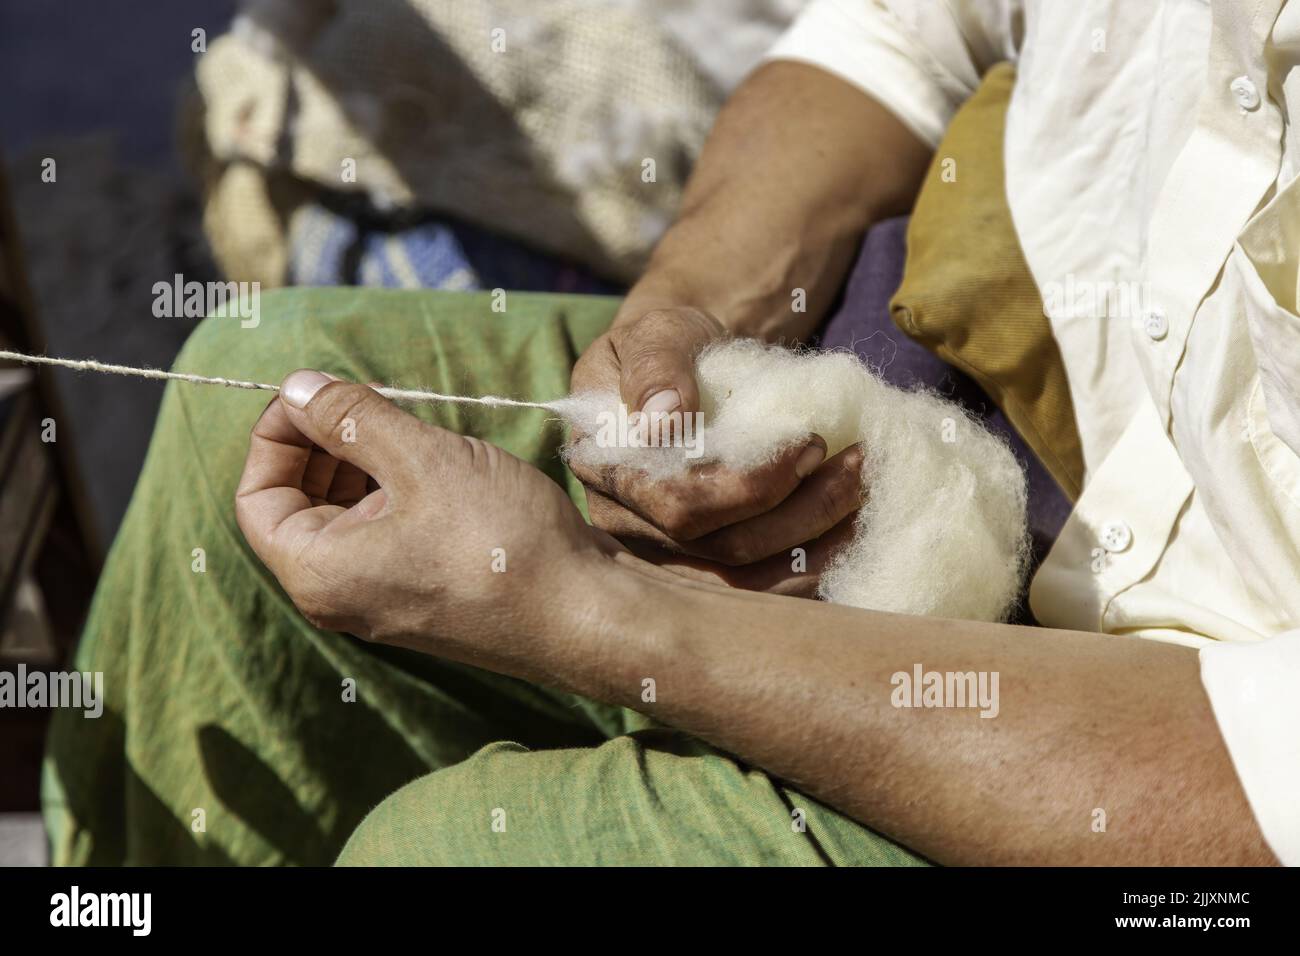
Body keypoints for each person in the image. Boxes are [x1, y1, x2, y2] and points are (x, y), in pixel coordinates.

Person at [45, 0, 1297, 866]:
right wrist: (687, 308)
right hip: (1021, 445)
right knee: (252, 383)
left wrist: (595, 614)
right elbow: (901, 34)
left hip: (1186, 779)